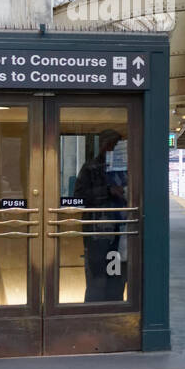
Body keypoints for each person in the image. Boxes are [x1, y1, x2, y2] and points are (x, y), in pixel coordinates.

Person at [73, 128, 128, 303]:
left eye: (116, 146)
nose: (113, 149)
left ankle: (114, 311)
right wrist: (108, 191)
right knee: (97, 279)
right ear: (102, 146)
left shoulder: (127, 169)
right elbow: (79, 197)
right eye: (110, 145)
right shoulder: (91, 168)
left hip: (122, 232)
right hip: (97, 233)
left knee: (117, 278)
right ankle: (93, 314)